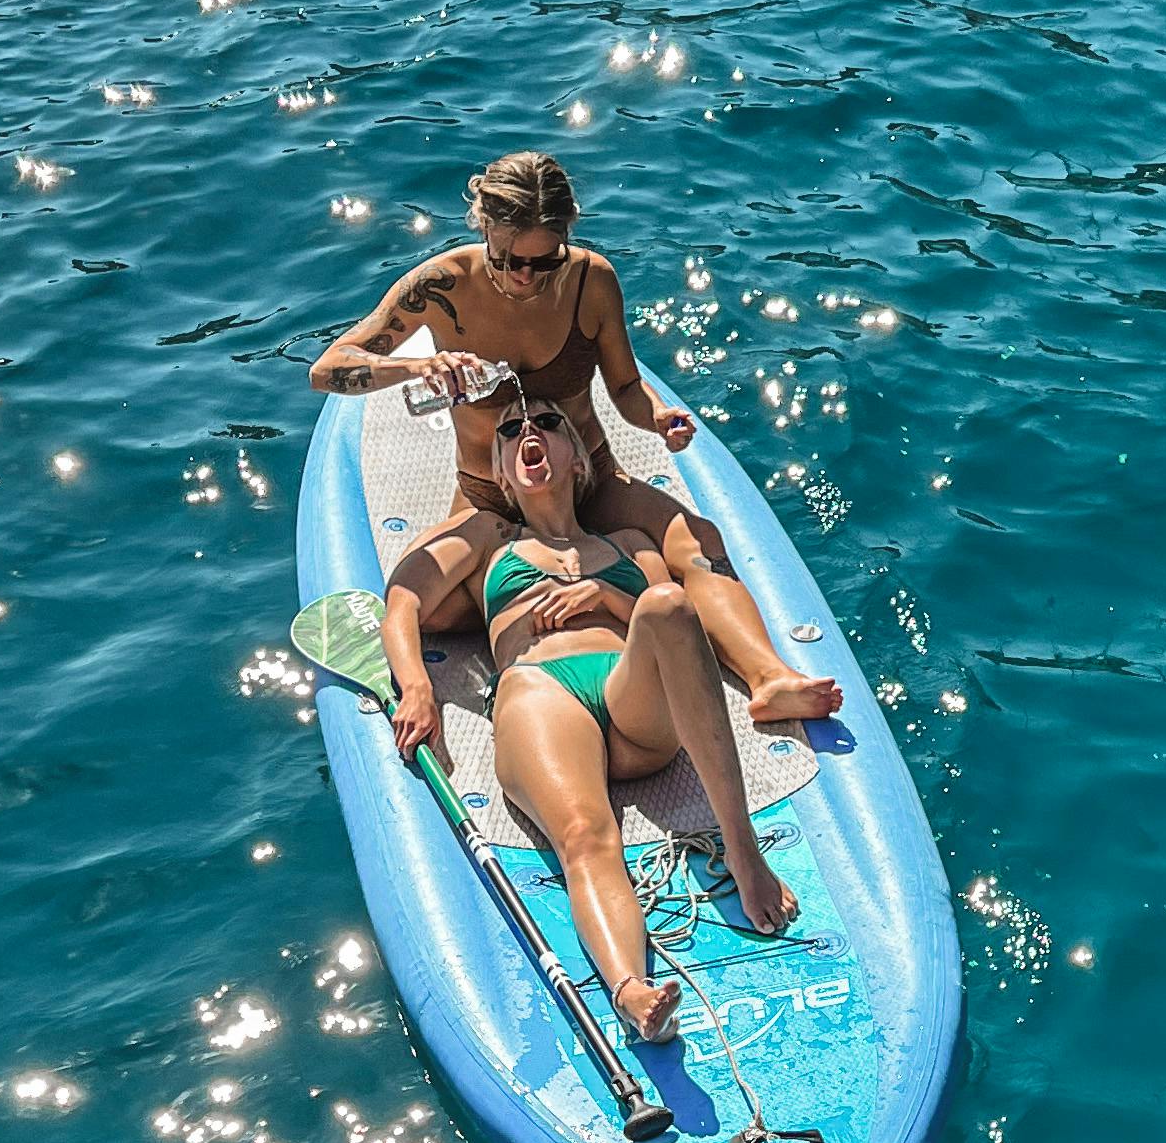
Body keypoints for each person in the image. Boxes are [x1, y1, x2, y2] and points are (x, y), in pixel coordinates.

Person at [310, 151, 843, 730]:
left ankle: (769, 679)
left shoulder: (592, 280)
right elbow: (328, 369)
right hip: (490, 495)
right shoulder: (441, 286)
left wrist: (659, 417)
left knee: (698, 541)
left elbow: (626, 386)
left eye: (545, 261)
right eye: (511, 260)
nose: (526, 277)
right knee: (429, 603)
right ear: (484, 226)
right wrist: (414, 370)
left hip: (588, 476)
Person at [382, 392, 797, 1042]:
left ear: (577, 459)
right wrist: (416, 688)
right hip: (541, 689)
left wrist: (605, 592)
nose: (530, 433)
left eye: (547, 423)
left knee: (662, 603)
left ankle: (740, 849)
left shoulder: (629, 542)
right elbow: (404, 597)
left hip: (636, 698)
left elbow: (679, 633)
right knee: (582, 835)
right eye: (512, 431)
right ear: (499, 473)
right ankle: (633, 994)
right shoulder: (491, 536)